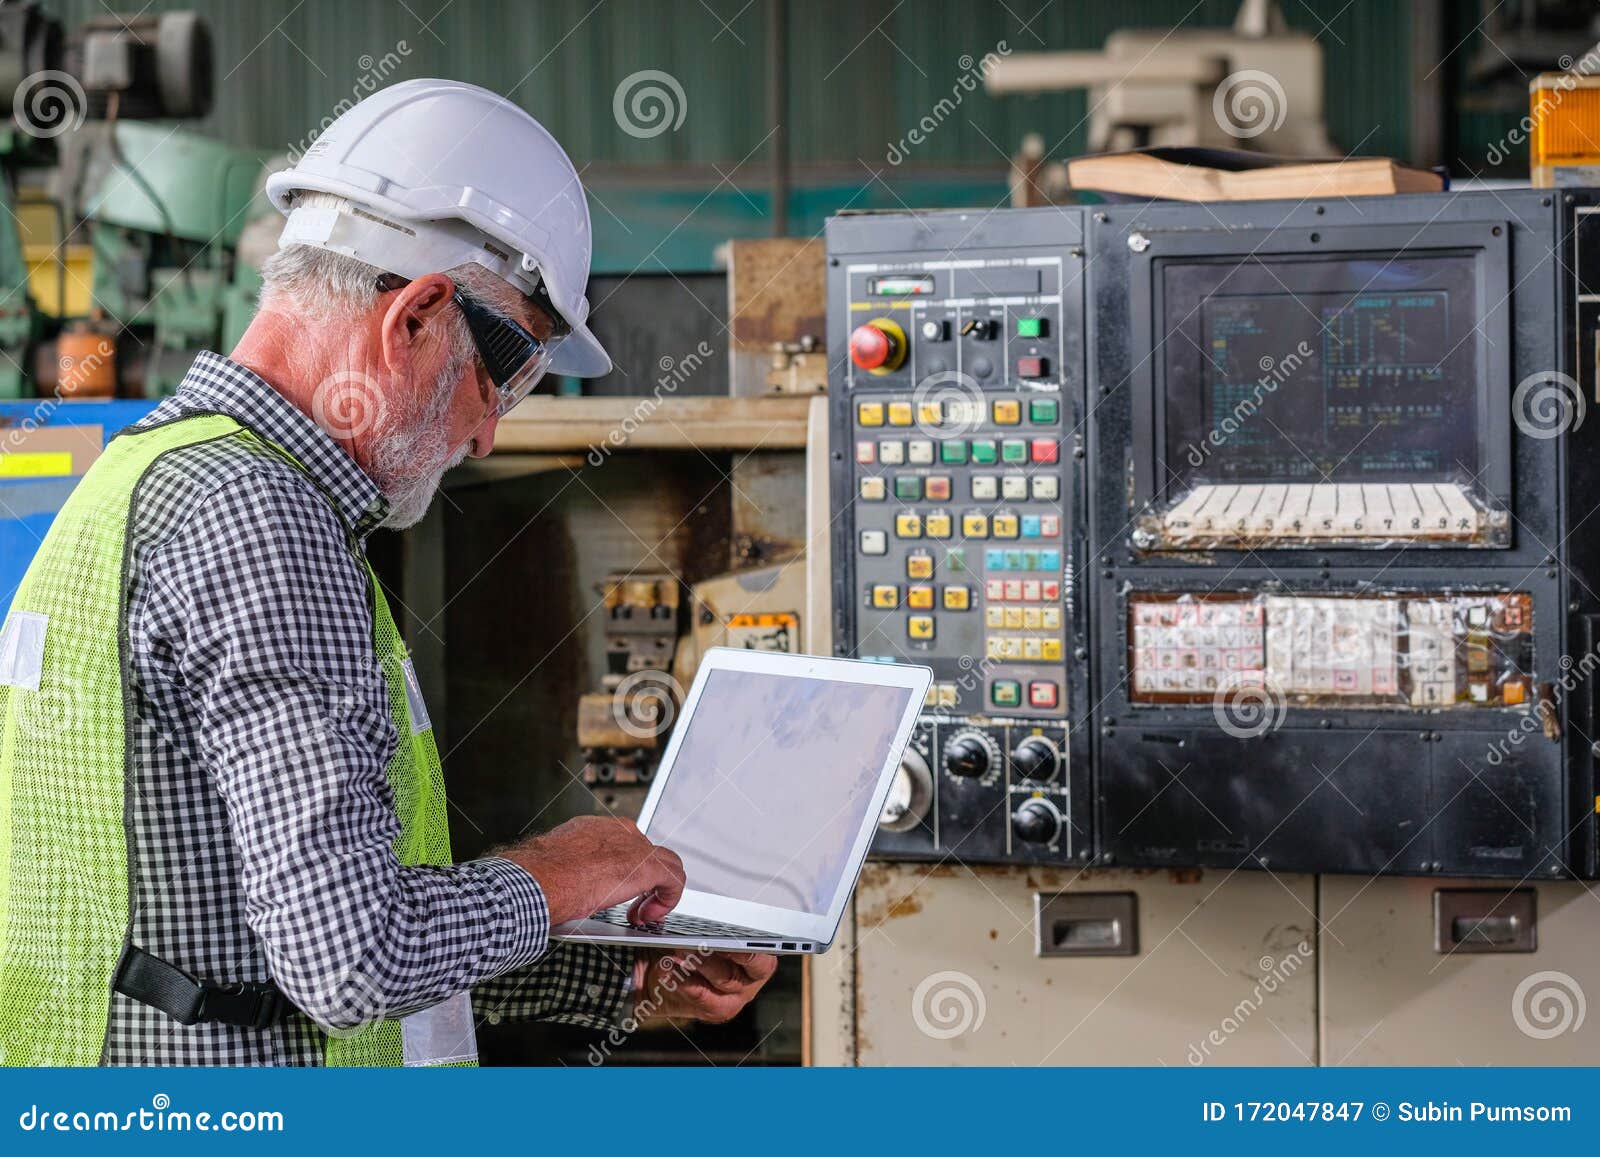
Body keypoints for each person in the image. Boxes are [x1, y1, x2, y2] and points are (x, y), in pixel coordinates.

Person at [0, 78, 773, 1067]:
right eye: (507, 376)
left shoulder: (155, 471)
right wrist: (559, 871)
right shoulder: (261, 521)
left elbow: (257, 939)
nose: (489, 431)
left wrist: (623, 971)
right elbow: (351, 959)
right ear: (414, 315)